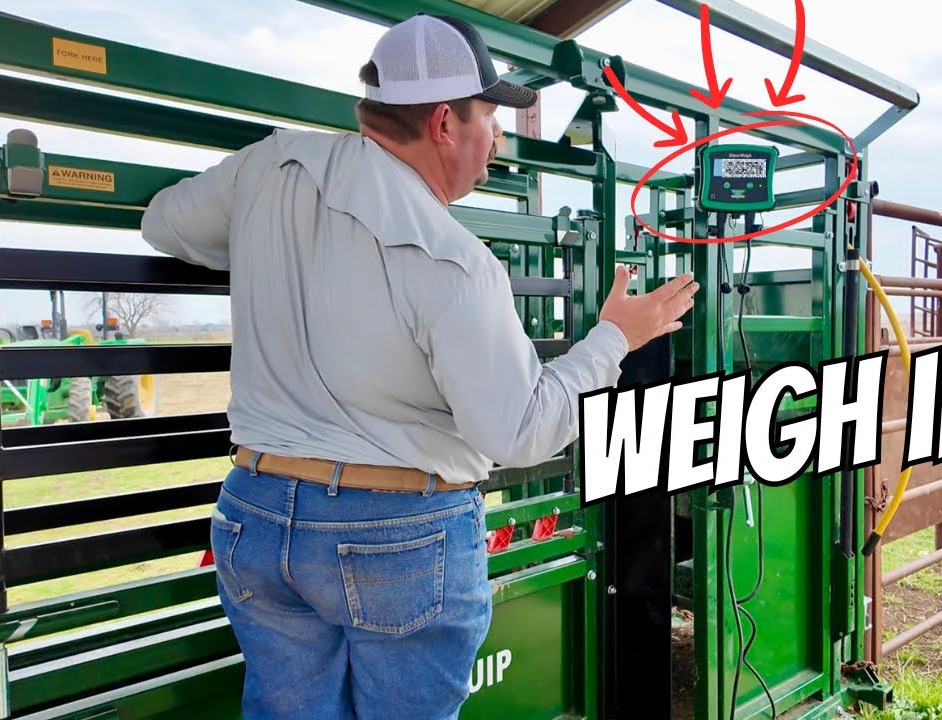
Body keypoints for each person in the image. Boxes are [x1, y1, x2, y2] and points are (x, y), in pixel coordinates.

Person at [139, 11, 698, 720]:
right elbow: (520, 433)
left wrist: (263, 237)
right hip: (396, 536)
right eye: (489, 117)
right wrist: (614, 338)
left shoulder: (271, 164)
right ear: (443, 124)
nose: (495, 138)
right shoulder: (454, 260)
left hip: (255, 513)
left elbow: (164, 223)